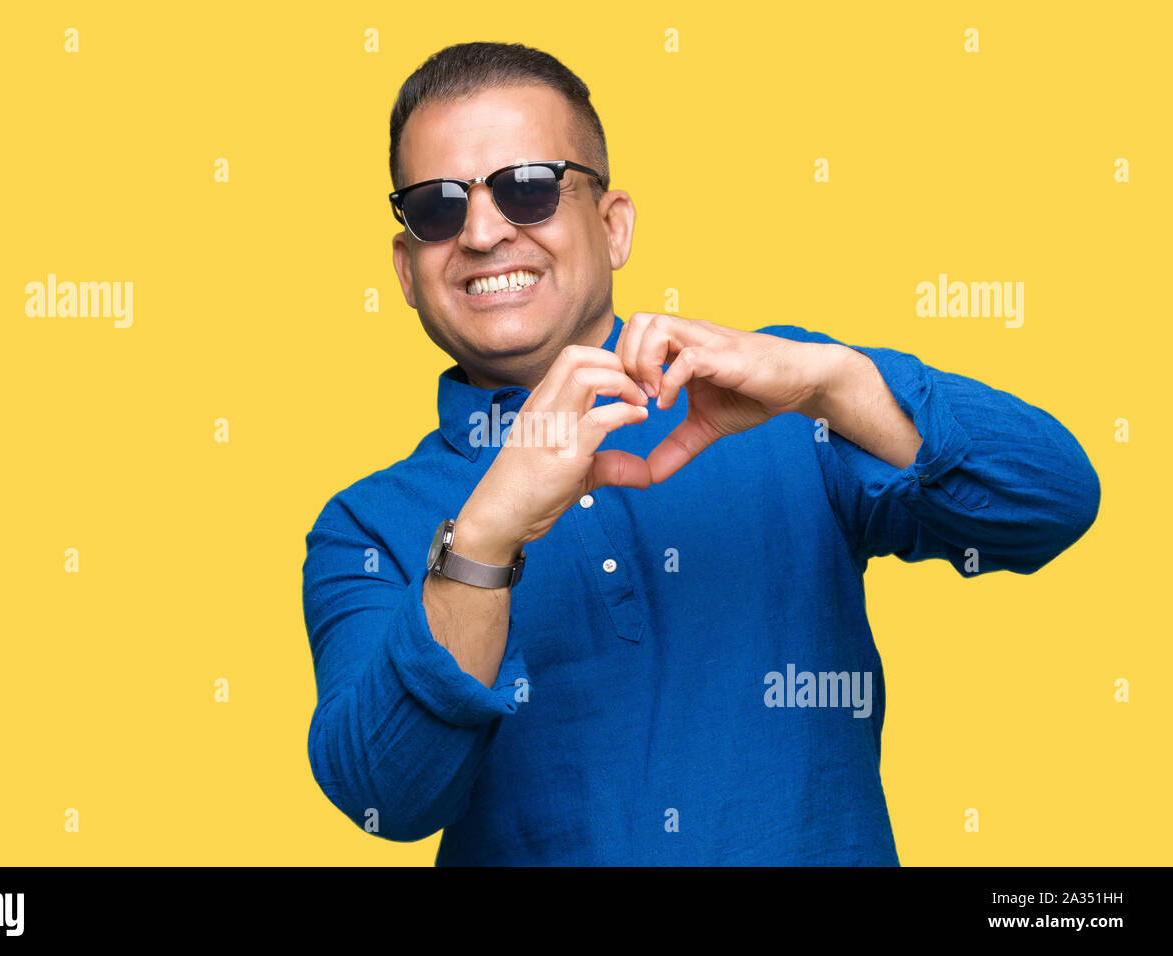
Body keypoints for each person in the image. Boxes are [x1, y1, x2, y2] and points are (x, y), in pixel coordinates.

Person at [301, 41, 1100, 865]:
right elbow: (382, 798)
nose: (480, 231)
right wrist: (483, 536)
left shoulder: (779, 405)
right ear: (406, 267)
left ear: (613, 228)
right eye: (437, 206)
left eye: (528, 188)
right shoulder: (363, 526)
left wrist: (832, 380)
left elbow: (1050, 501)